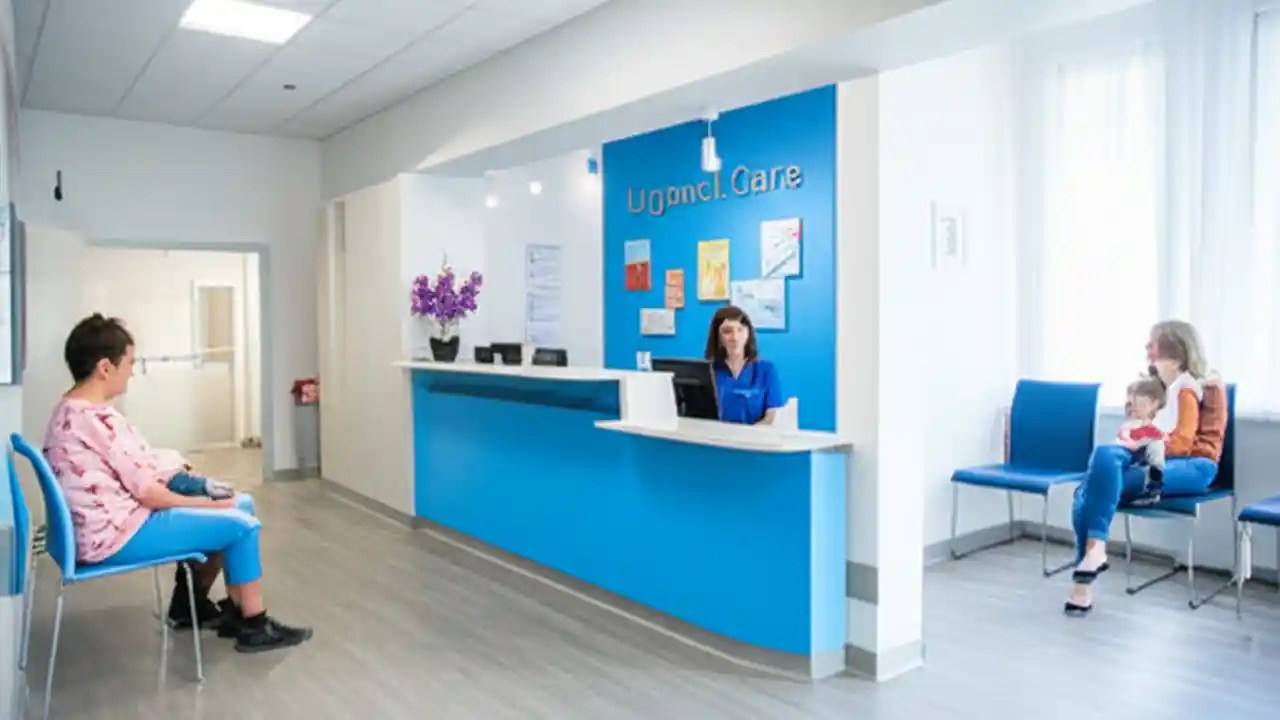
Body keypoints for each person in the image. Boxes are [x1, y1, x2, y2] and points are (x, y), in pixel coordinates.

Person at [43, 314, 312, 652]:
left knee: (240, 503)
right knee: (241, 523)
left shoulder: (69, 410)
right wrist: (208, 503)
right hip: (116, 534)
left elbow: (131, 463)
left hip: (99, 526)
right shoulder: (99, 419)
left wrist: (181, 472)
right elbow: (150, 493)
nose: (131, 372)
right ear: (105, 368)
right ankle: (254, 624)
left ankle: (195, 608)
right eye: (129, 363)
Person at [1064, 320, 1228, 616]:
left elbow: (1181, 443)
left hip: (1192, 465)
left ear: (1176, 355)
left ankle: (1084, 580)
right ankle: (1094, 553)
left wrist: (1137, 441)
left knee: (1088, 491)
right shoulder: (1163, 390)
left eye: (1153, 347)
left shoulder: (1190, 387)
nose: (1147, 353)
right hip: (1158, 458)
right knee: (1101, 458)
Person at [704, 305, 784, 425]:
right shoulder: (709, 371)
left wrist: (748, 436)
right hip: (717, 439)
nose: (735, 337)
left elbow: (772, 416)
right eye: (727, 332)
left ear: (748, 334)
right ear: (718, 337)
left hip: (754, 440)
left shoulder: (766, 370)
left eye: (740, 330)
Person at [1117, 376, 1169, 505]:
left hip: (1147, 462)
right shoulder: (1128, 426)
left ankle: (1153, 487)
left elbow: (1153, 437)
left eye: (1140, 404)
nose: (1134, 408)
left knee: (1156, 446)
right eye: (1131, 404)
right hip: (1131, 459)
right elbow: (1122, 438)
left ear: (1153, 405)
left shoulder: (1153, 427)